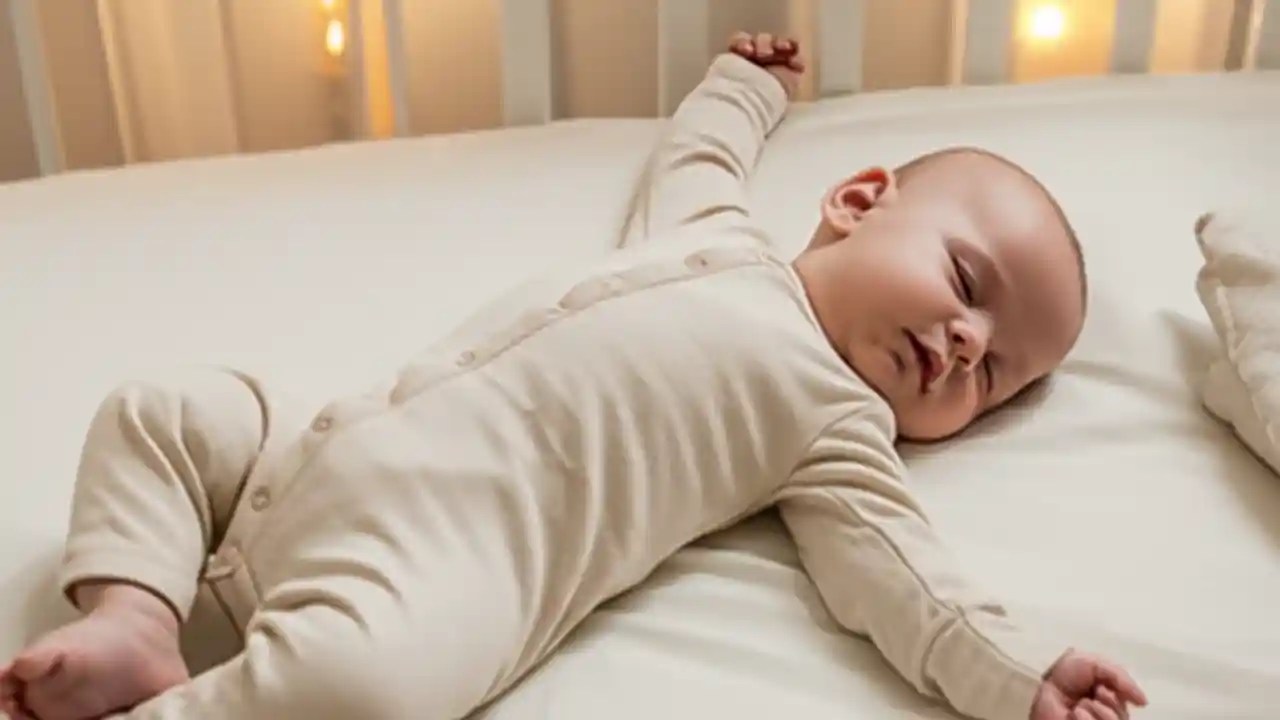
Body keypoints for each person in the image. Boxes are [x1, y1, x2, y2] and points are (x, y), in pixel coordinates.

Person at [1, 32, 1146, 720]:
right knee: (167, 408)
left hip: (435, 576)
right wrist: (745, 90)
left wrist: (1021, 676)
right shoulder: (711, 229)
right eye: (962, 281)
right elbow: (698, 153)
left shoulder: (836, 427)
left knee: (365, 690)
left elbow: (908, 585)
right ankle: (135, 613)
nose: (957, 343)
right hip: (314, 449)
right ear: (853, 201)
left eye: (990, 375)